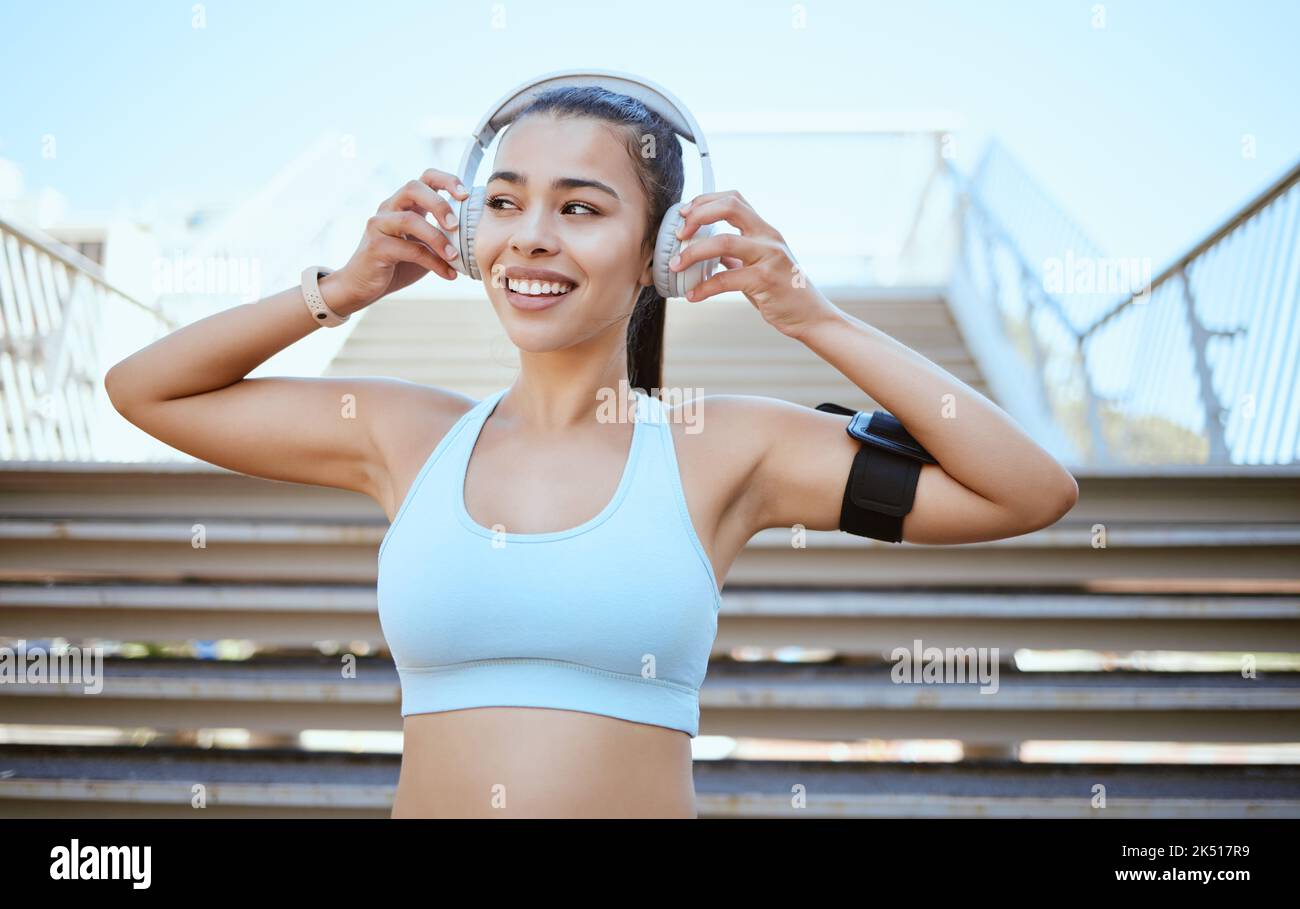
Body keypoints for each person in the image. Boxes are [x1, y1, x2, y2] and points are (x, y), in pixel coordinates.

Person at [104, 83, 1078, 818]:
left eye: (578, 207)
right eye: (504, 203)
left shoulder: (728, 447)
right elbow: (144, 389)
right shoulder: (407, 434)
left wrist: (813, 317)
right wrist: (341, 289)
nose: (529, 238)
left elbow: (1029, 492)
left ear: (660, 250)